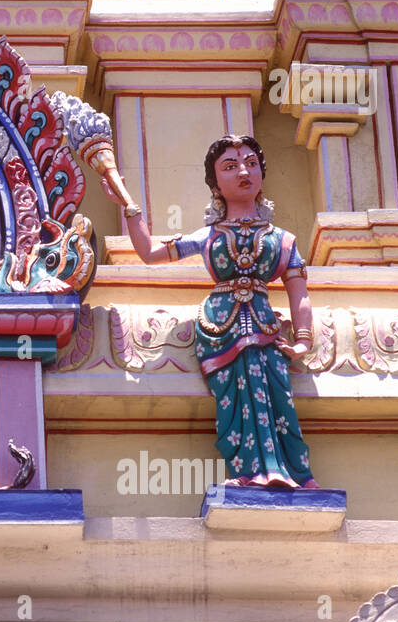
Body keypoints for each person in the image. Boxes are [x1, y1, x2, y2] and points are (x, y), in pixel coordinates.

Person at [111, 134, 318, 488]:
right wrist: (127, 203)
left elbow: (299, 293)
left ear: (262, 175)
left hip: (267, 331)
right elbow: (149, 253)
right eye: (230, 166)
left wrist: (303, 341)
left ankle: (293, 472)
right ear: (215, 184)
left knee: (277, 397)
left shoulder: (283, 240)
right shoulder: (208, 236)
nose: (243, 171)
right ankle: (249, 471)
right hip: (220, 331)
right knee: (235, 402)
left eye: (251, 163)